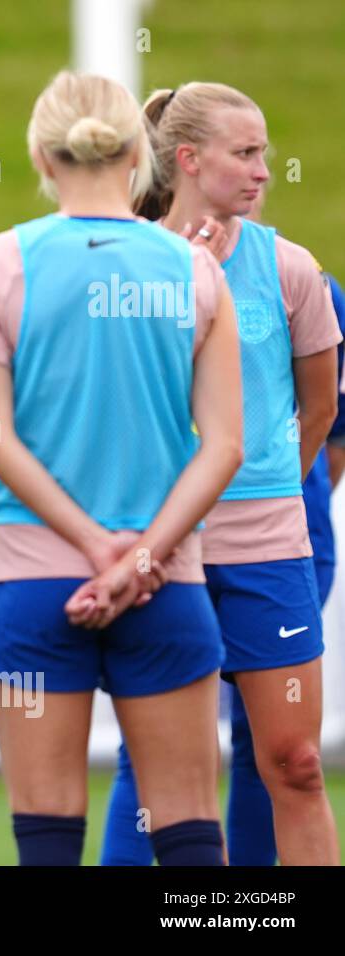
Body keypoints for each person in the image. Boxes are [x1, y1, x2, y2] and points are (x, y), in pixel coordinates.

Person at [0, 71, 246, 866]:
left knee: (46, 844)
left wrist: (93, 548)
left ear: (42, 159)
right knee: (191, 841)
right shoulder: (194, 271)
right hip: (166, 583)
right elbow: (224, 447)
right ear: (138, 161)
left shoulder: (2, 263)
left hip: (33, 587)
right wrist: (137, 557)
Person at [96, 82, 341, 866]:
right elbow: (105, 405)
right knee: (162, 766)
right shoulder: (119, 265)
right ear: (191, 160)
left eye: (264, 152)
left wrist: (265, 498)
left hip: (270, 545)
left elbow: (316, 408)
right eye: (247, 153)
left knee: (295, 765)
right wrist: (179, 285)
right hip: (161, 548)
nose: (265, 169)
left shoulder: (292, 269)